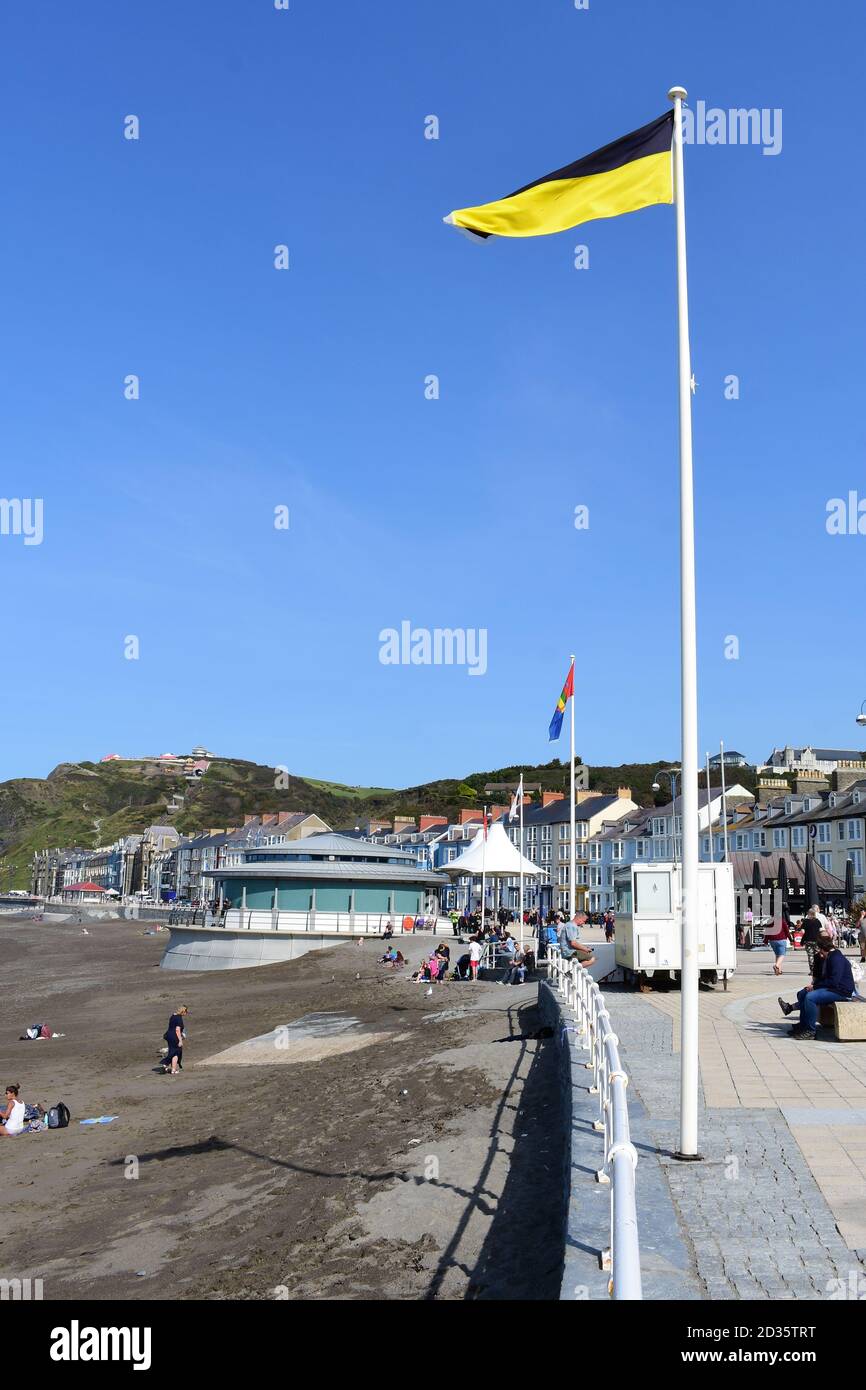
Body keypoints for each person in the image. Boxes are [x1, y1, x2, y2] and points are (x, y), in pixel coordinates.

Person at [778, 934, 856, 1039]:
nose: (819, 952)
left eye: (819, 949)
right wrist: (814, 985)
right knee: (802, 993)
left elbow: (834, 981)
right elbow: (826, 978)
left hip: (841, 991)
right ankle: (803, 1025)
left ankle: (810, 1031)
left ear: (822, 948)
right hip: (833, 988)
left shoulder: (836, 958)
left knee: (810, 998)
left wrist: (815, 987)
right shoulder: (830, 956)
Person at [763, 906, 791, 976]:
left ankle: (779, 970)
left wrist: (765, 941)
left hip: (772, 941)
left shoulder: (769, 921)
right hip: (781, 939)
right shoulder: (782, 921)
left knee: (777, 955)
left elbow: (767, 932)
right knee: (782, 955)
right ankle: (776, 966)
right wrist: (791, 939)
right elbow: (787, 931)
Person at [162, 1005, 189, 1075]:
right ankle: (169, 1066)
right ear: (183, 1011)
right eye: (186, 1012)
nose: (186, 1013)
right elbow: (177, 1030)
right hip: (174, 1037)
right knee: (176, 1053)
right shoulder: (179, 1019)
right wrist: (180, 1040)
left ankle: (169, 1066)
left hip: (169, 1036)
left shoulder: (173, 1016)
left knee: (173, 1051)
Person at [800, 906, 822, 980]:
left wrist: (802, 940)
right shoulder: (817, 921)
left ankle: (812, 971)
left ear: (809, 914)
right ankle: (818, 970)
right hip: (816, 940)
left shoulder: (805, 921)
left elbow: (802, 931)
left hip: (808, 940)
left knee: (810, 956)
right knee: (817, 955)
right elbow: (820, 930)